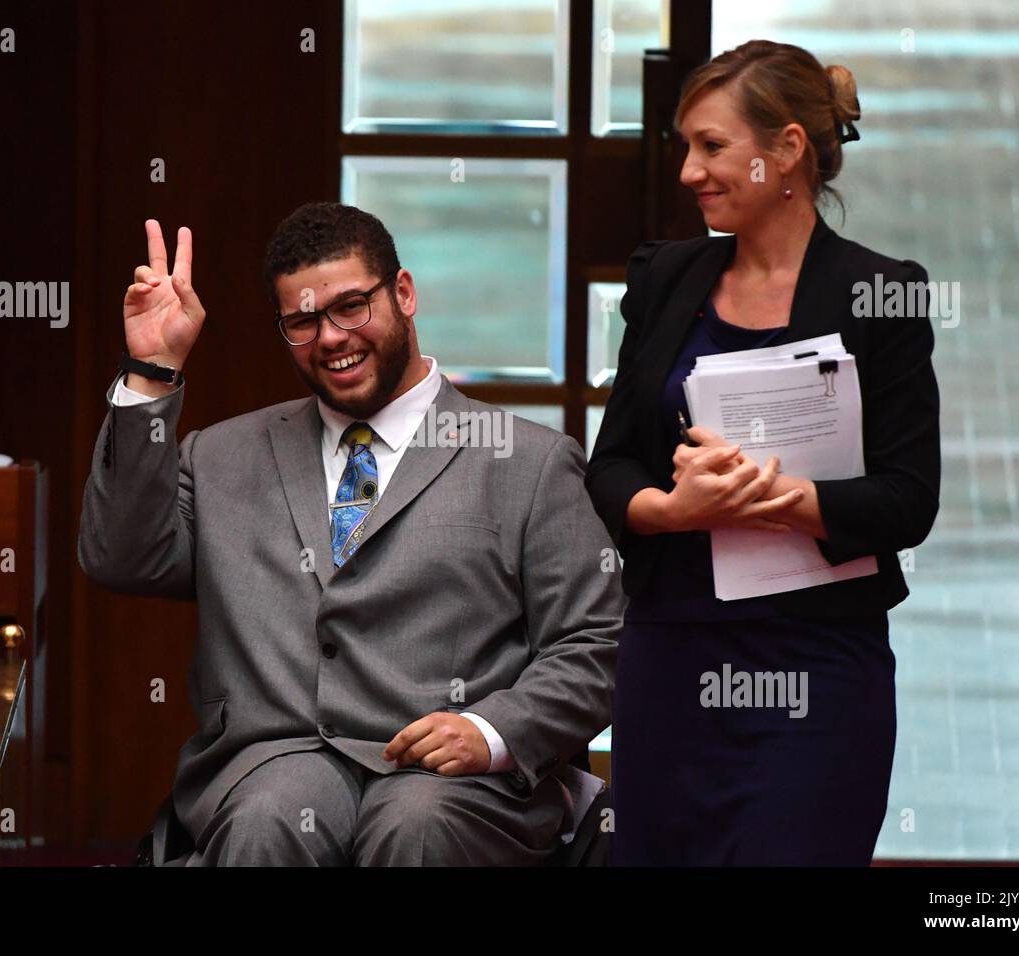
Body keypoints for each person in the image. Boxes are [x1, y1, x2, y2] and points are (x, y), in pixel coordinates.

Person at [79, 201, 622, 865]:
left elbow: (596, 643)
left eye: (350, 307)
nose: (331, 336)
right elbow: (117, 556)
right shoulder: (220, 455)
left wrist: (491, 730)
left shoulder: (527, 460)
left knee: (416, 823)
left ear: (403, 293)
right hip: (274, 762)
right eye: (302, 321)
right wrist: (153, 372)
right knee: (267, 820)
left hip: (454, 782)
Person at [586, 40, 941, 866]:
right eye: (685, 147)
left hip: (814, 667)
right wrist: (672, 511)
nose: (687, 172)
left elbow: (908, 500)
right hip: (669, 658)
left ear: (785, 151)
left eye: (712, 147)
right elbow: (610, 466)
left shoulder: (880, 295)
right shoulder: (666, 279)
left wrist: (779, 498)